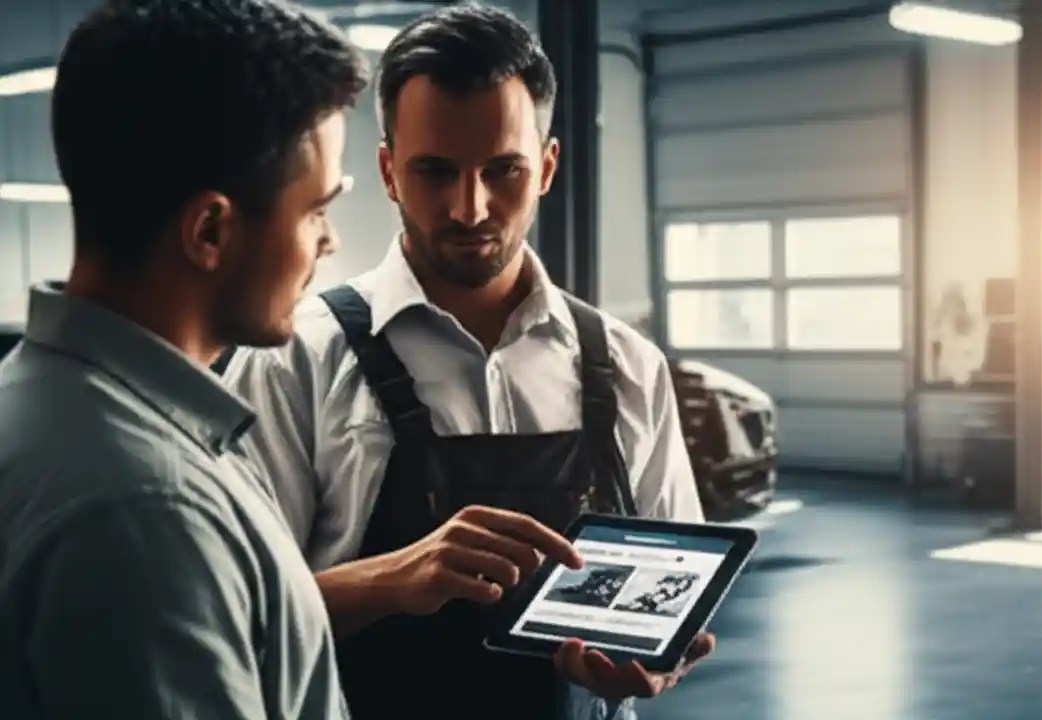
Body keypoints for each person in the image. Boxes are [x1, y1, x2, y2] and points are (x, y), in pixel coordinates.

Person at [220, 3, 715, 718]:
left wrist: (656, 662)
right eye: (435, 171)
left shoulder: (629, 364)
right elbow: (236, 617)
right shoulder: (295, 358)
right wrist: (391, 581)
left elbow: (675, 602)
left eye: (503, 170)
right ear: (389, 171)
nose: (470, 209)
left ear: (546, 168)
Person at [0, 1, 369, 717]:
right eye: (316, 211)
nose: (330, 243)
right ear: (209, 232)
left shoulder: (43, 401)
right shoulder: (149, 514)